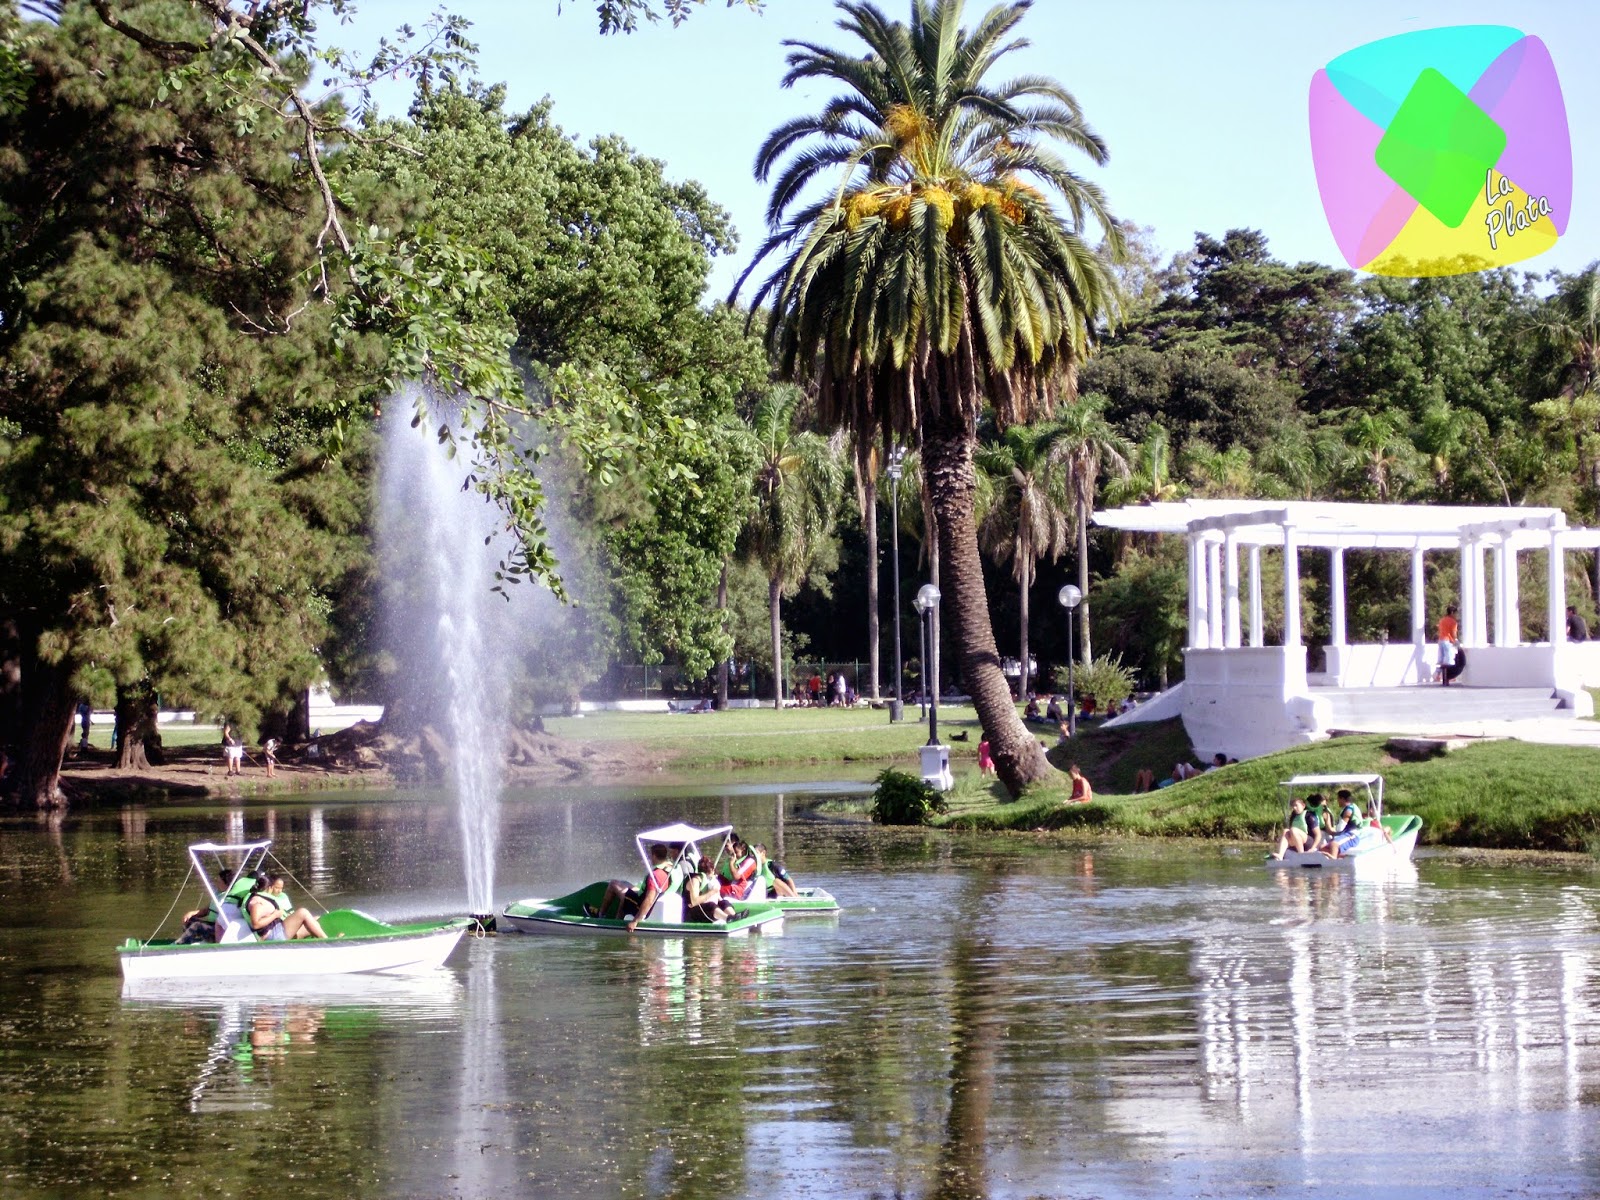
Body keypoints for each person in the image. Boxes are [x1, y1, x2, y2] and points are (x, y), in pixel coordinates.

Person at [595, 842, 679, 928]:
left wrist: (635, 921)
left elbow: (649, 899)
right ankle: (618, 921)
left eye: (651, 856)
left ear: (654, 856)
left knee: (614, 885)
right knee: (627, 890)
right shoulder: (672, 867)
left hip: (641, 906)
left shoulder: (656, 875)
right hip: (653, 898)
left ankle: (600, 915)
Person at [245, 874, 327, 940]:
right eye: (274, 887)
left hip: (278, 930)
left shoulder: (262, 899)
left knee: (315, 922)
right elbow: (255, 924)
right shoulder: (257, 902)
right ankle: (327, 942)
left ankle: (322, 943)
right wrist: (275, 915)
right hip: (273, 935)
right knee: (303, 912)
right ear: (269, 887)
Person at [684, 858, 734, 923]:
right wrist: (712, 892)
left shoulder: (710, 881)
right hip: (690, 912)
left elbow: (718, 898)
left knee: (723, 902)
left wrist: (722, 901)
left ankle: (734, 916)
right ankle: (727, 918)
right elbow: (694, 902)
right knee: (711, 905)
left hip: (703, 908)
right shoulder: (695, 881)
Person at [718, 833, 760, 901]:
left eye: (736, 852)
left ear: (743, 849)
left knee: (714, 890)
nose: (735, 855)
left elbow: (736, 876)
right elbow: (727, 879)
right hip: (732, 887)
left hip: (740, 891)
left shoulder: (750, 861)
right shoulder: (733, 860)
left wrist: (731, 863)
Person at [1270, 795, 1311, 860]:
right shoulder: (1294, 816)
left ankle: (1301, 854)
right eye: (1293, 806)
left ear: (1303, 805)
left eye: (1296, 805)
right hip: (1297, 840)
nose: (1294, 808)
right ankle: (1280, 855)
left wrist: (1314, 847)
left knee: (1293, 829)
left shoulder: (1309, 815)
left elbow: (1317, 833)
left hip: (1309, 841)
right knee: (1286, 831)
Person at [1436, 606, 1459, 686]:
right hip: (1447, 641)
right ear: (1452, 613)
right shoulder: (1453, 622)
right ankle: (1449, 676)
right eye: (1456, 613)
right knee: (1449, 659)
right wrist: (1456, 641)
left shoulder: (1442, 620)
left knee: (1441, 659)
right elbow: (1453, 633)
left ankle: (1438, 675)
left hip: (1441, 640)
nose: (1456, 615)